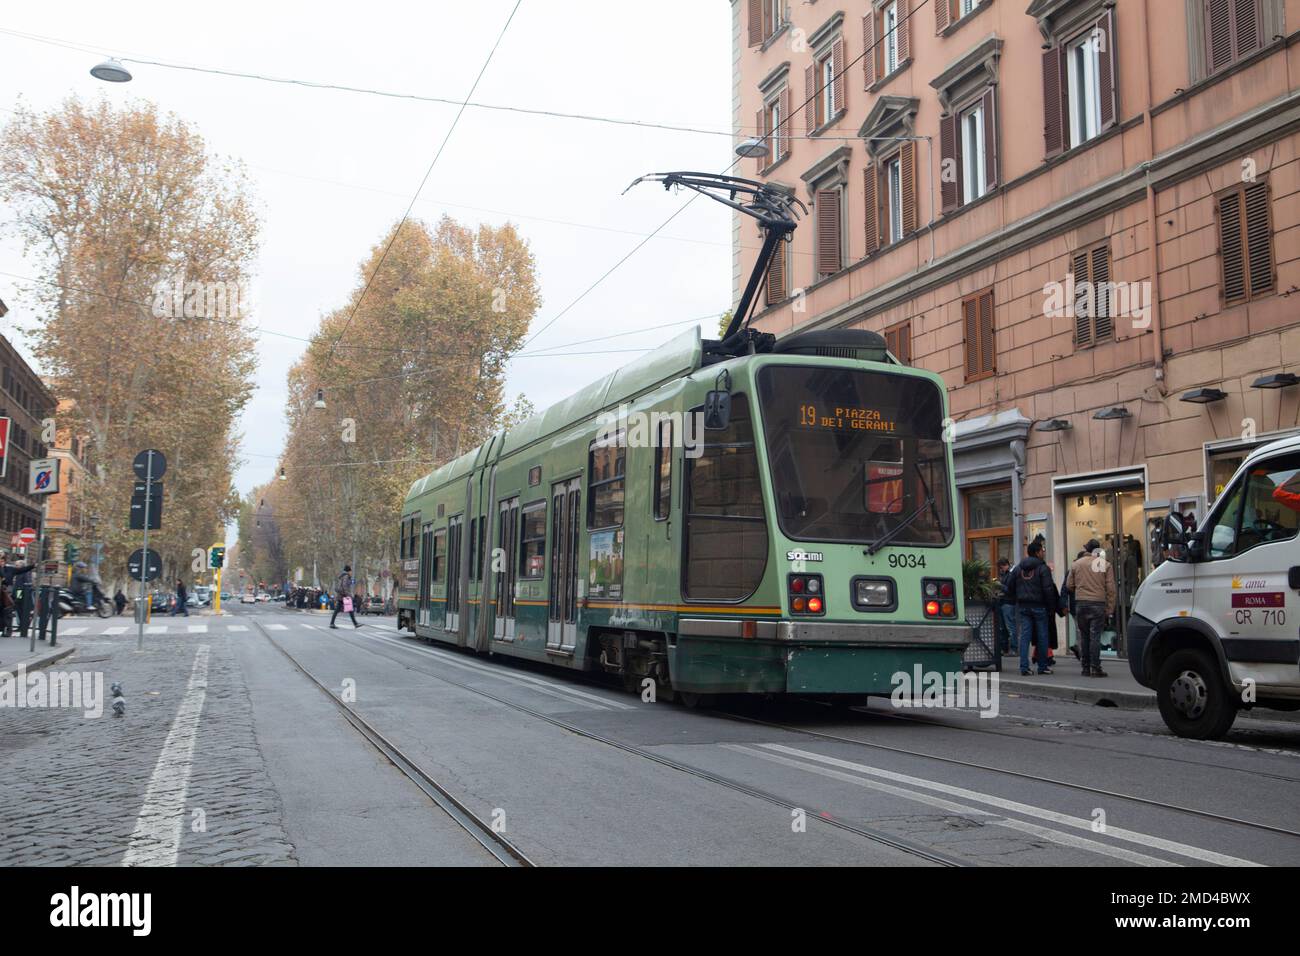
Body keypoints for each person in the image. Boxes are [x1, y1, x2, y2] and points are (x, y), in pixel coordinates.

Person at [1064, 539, 1117, 678]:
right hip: (1098, 604)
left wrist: (1081, 588)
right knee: (1095, 636)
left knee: (1084, 636)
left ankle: (1085, 667)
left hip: (1081, 603)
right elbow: (1111, 589)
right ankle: (1095, 667)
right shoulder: (1105, 564)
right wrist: (1110, 607)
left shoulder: (1077, 564)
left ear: (1086, 549)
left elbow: (1069, 585)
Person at [1008, 539, 1060, 676]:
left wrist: (1017, 598)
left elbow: (1009, 585)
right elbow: (1048, 589)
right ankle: (1042, 667)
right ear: (1037, 553)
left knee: (1025, 637)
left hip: (1023, 606)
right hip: (1039, 606)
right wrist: (1051, 607)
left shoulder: (1018, 568)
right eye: (1042, 550)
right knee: (1042, 636)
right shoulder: (1043, 568)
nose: (1043, 552)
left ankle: (1024, 667)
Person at [0, 551, 34, 637]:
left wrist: (33, 565)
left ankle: (8, 630)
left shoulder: (10, 569)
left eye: (2, 560)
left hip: (7, 592)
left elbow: (22, 572)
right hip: (5, 592)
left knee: (7, 612)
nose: (1, 562)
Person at [995, 557, 1016, 655]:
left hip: (1008, 603)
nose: (1000, 570)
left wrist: (1000, 586)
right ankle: (1004, 649)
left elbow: (1011, 590)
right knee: (1002, 627)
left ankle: (1013, 649)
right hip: (1003, 602)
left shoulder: (1011, 574)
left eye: (1001, 567)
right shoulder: (1005, 574)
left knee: (1010, 627)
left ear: (1005, 565)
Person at [330, 565, 360, 629]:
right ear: (348, 571)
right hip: (344, 595)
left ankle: (332, 623)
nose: (351, 572)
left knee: (346, 610)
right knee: (349, 610)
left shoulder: (343, 576)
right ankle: (355, 624)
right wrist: (348, 595)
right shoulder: (346, 576)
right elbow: (344, 586)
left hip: (342, 595)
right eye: (350, 571)